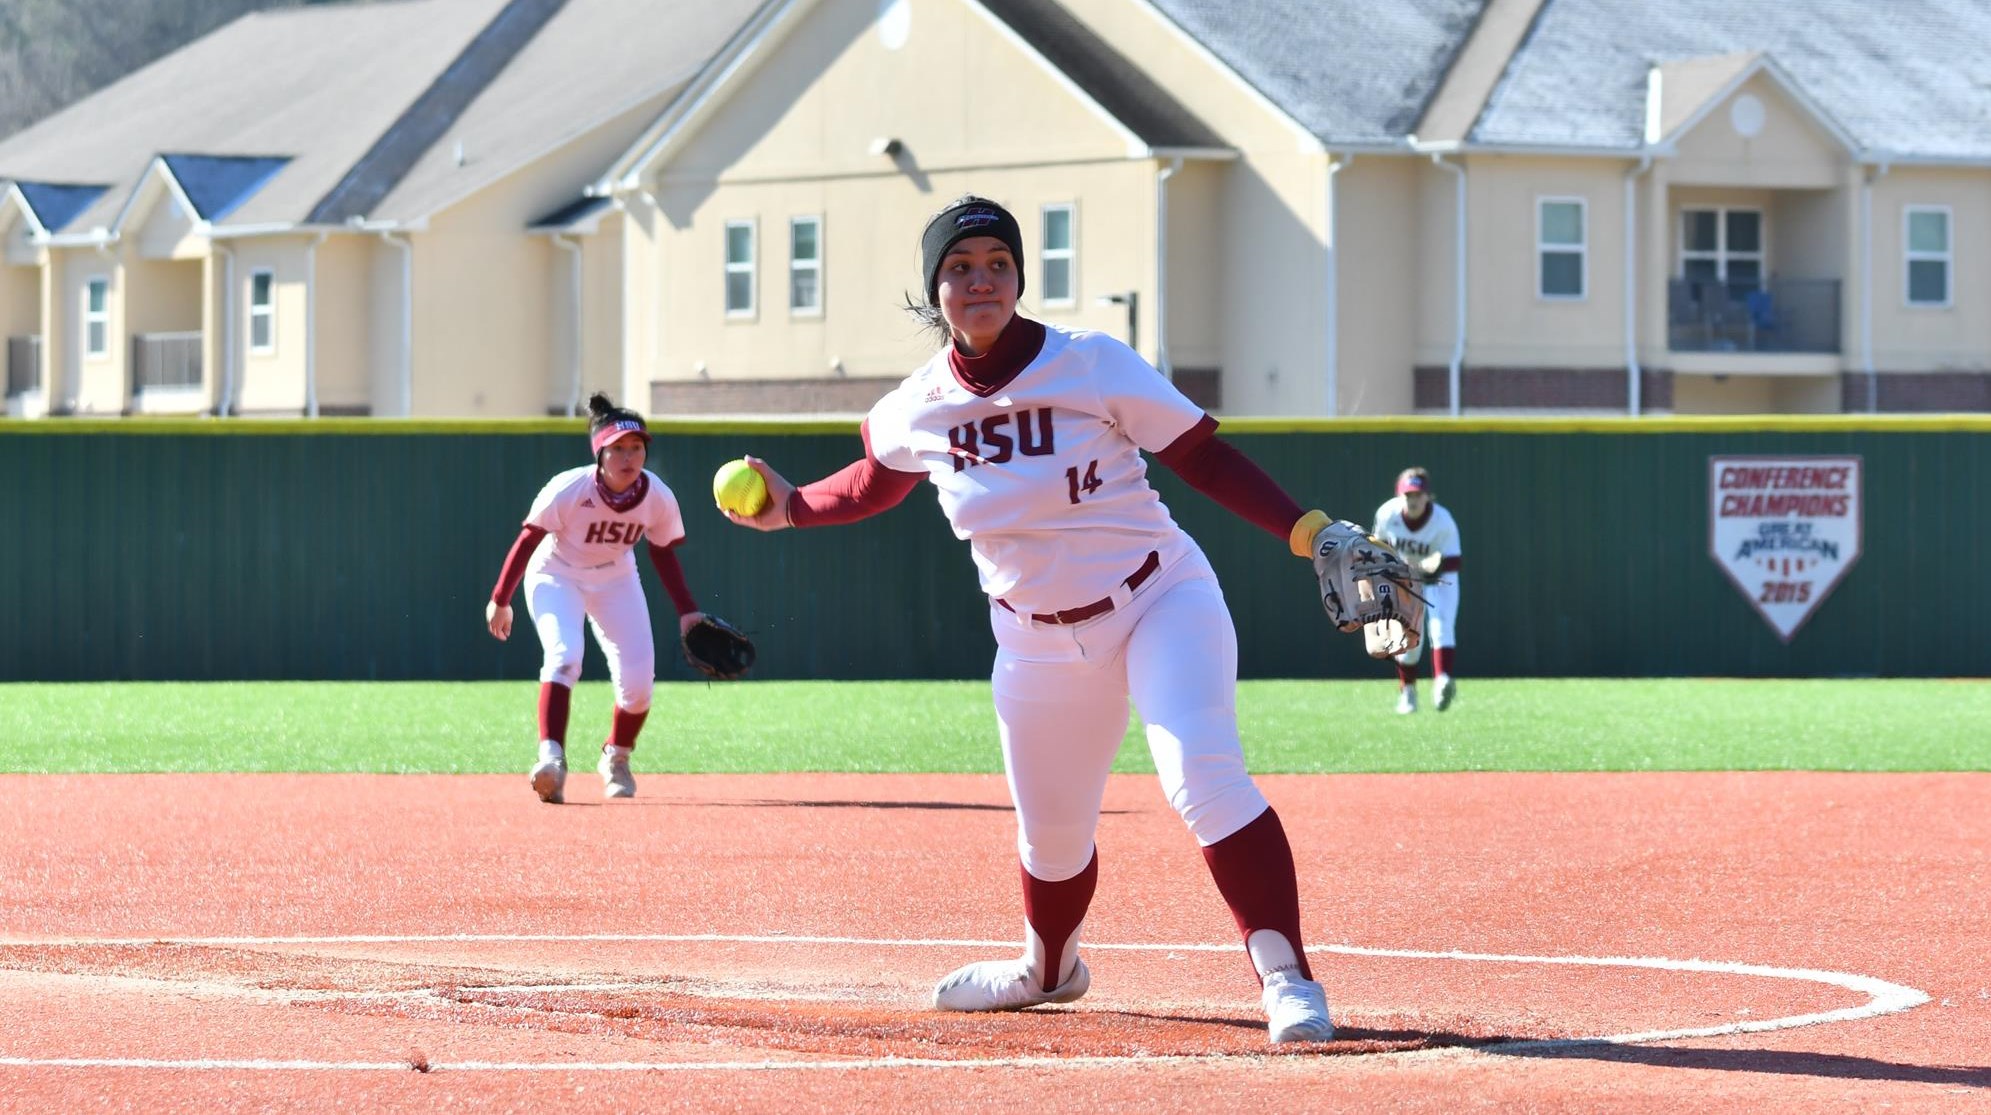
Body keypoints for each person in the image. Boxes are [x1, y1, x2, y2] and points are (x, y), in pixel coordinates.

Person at [720, 195, 1356, 1043]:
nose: (978, 279)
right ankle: (1048, 970)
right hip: (1032, 637)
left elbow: (1198, 452)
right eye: (958, 267)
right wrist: (793, 508)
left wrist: (1305, 532)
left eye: (996, 263)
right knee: (1052, 836)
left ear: (1019, 278)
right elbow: (876, 479)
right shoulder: (918, 404)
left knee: (1202, 776)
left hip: (1156, 597)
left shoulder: (1089, 363)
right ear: (934, 289)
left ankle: (1286, 978)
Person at [485, 393, 708, 803]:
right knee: (565, 654)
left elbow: (662, 551)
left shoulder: (657, 496)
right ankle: (550, 758)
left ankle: (617, 757)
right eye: (618, 449)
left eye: (636, 447)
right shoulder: (569, 487)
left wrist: (686, 610)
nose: (628, 456)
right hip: (556, 574)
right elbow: (528, 538)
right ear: (599, 455)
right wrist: (501, 598)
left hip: (616, 577)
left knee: (640, 684)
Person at [1372, 467, 1461, 713]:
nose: (1413, 500)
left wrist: (1427, 569)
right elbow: (1376, 549)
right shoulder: (1388, 514)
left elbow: (1453, 562)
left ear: (1428, 496)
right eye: (1408, 495)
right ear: (1400, 496)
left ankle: (1442, 680)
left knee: (1441, 626)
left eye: (1418, 495)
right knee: (1408, 637)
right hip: (1404, 579)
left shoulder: (1442, 521)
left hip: (1440, 579)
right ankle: (1408, 692)